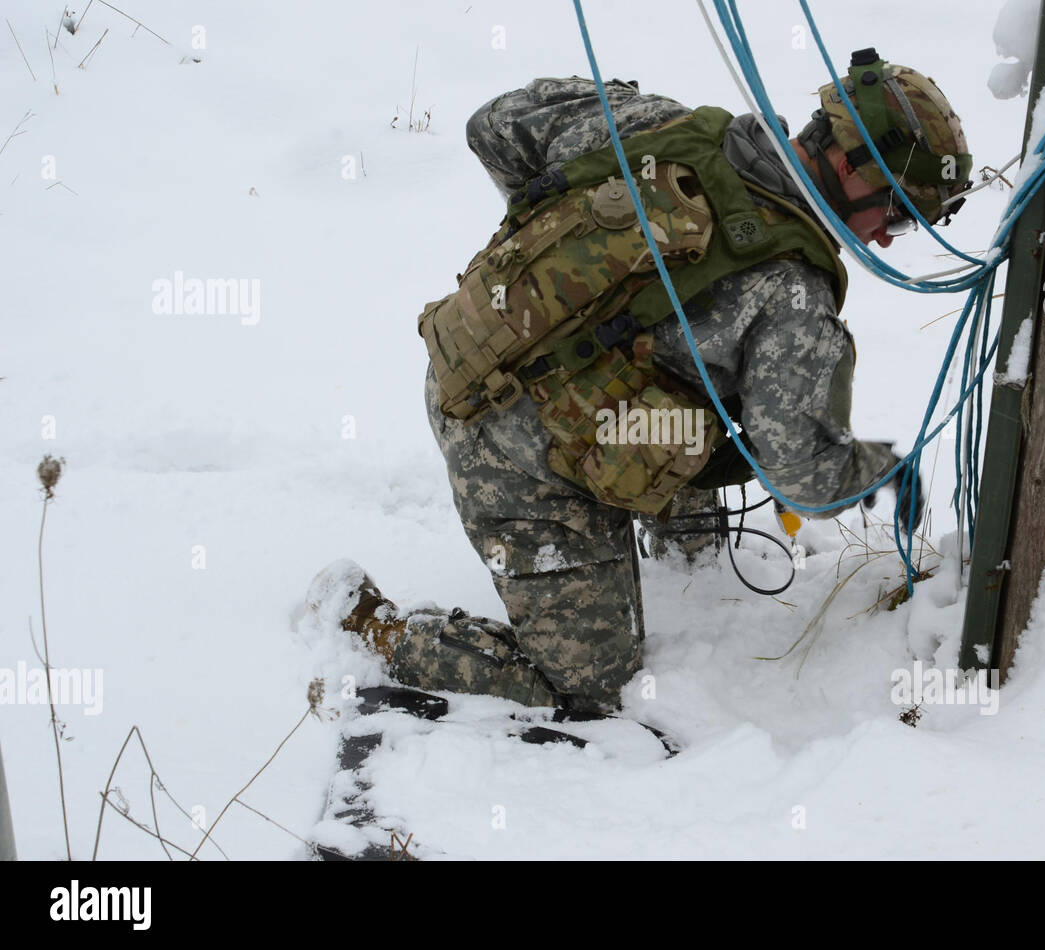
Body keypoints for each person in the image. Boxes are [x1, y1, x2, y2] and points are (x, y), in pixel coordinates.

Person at [307, 50, 972, 715]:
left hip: (472, 351)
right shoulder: (794, 299)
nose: (886, 240)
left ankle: (682, 554)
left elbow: (494, 126)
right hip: (510, 459)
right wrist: (884, 470)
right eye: (898, 214)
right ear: (852, 166)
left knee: (692, 388)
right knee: (588, 687)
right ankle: (370, 627)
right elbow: (805, 475)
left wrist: (558, 270)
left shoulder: (661, 128)